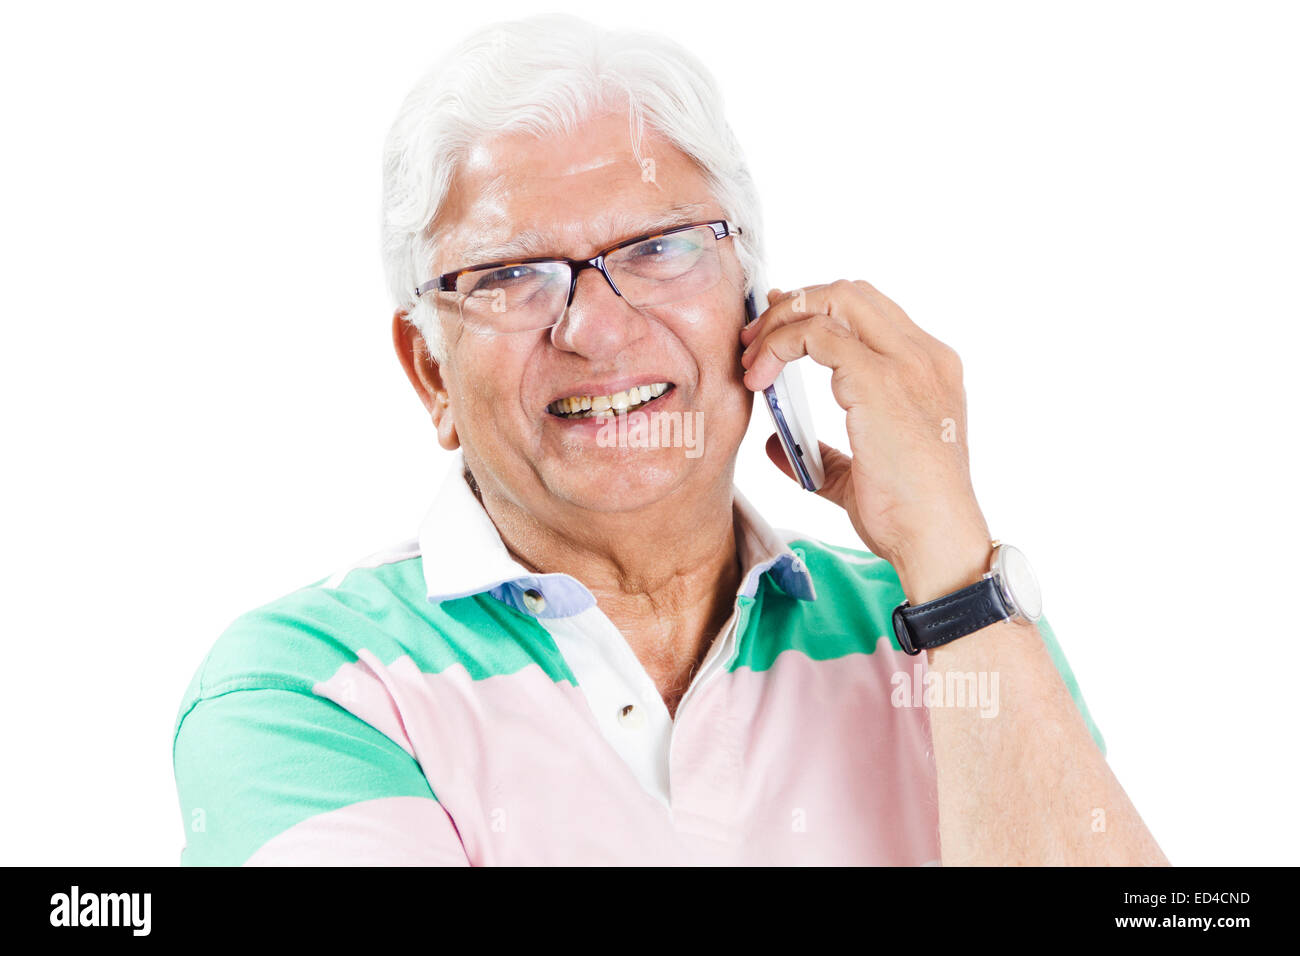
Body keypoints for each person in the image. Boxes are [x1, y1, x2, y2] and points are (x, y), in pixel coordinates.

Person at [173, 13, 1166, 865]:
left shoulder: (953, 623)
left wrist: (954, 565)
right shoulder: (305, 685)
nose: (595, 328)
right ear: (430, 370)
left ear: (757, 302)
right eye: (512, 274)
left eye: (657, 247)